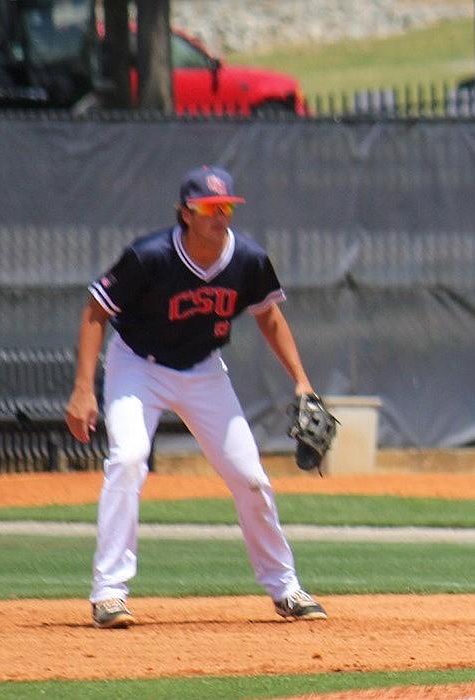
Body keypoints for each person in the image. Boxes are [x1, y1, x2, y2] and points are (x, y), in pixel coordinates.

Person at [64, 165, 328, 629]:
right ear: (185, 213)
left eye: (226, 206)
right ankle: (108, 593)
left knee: (251, 478)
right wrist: (84, 389)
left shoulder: (247, 259)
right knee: (128, 459)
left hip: (203, 371)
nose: (220, 215)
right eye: (209, 207)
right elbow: (95, 312)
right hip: (138, 366)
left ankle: (285, 588)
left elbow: (269, 317)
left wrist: (302, 380)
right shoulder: (149, 257)